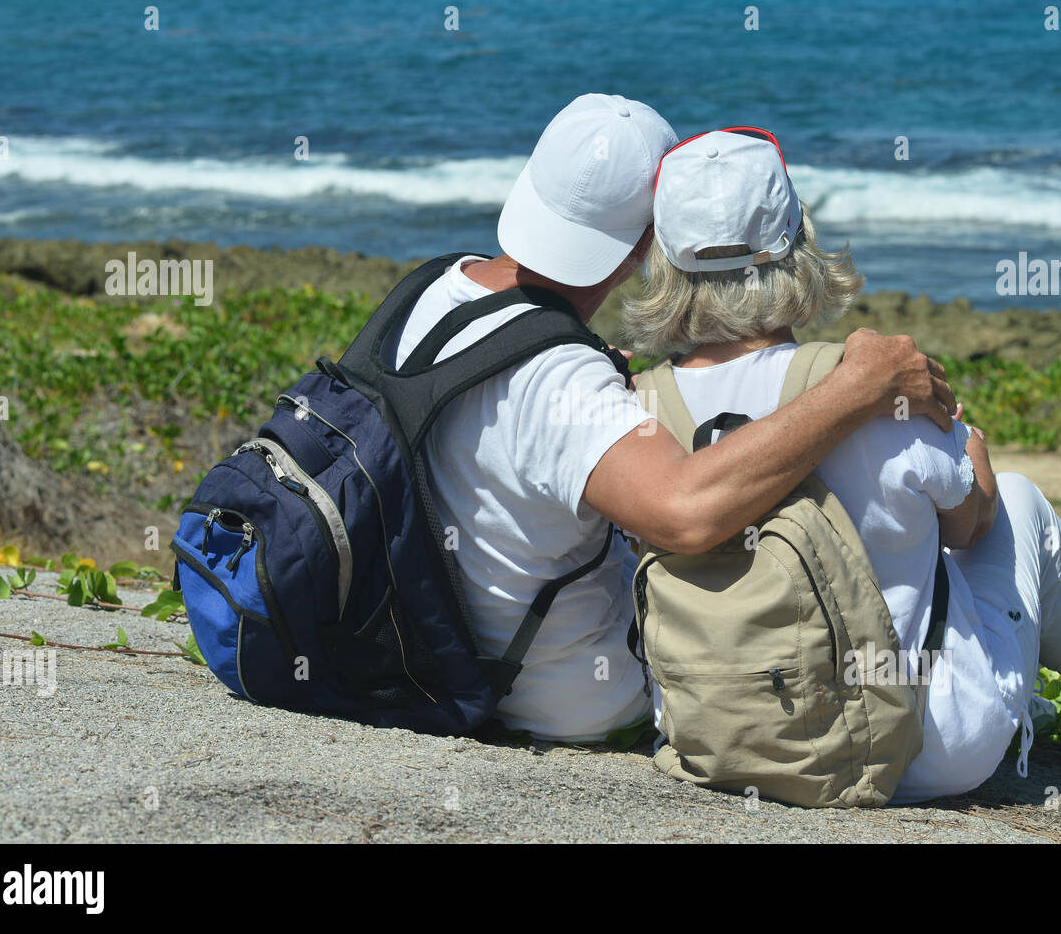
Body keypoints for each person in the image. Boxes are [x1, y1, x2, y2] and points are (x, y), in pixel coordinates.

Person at [388, 95, 958, 742]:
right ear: (646, 243)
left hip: (422, 645)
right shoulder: (566, 378)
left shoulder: (433, 288)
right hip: (569, 694)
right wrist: (853, 387)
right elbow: (687, 514)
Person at [628, 126, 1061, 801]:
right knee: (1021, 502)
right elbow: (973, 523)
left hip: (718, 740)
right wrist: (969, 440)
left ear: (666, 265)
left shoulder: (642, 408)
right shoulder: (873, 390)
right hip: (922, 750)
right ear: (798, 245)